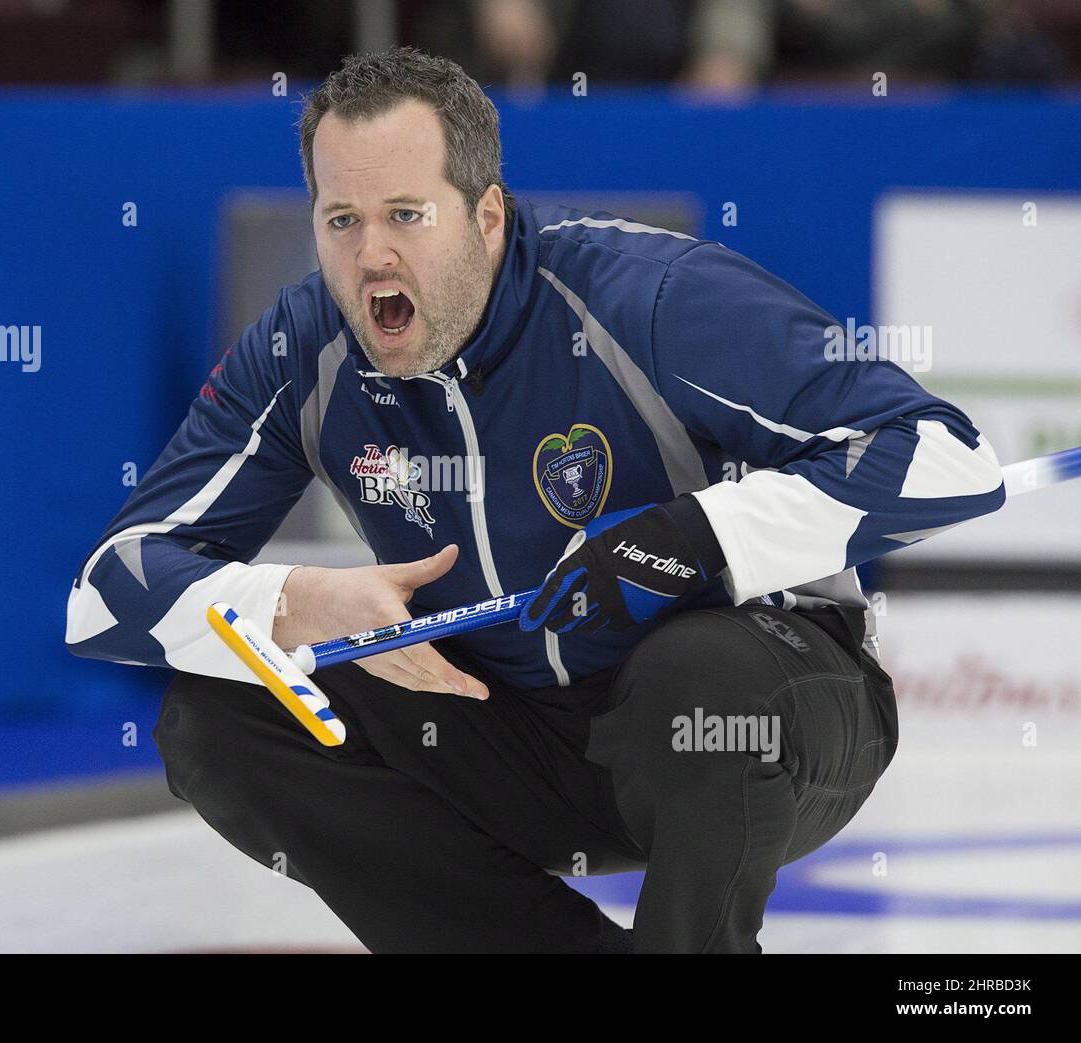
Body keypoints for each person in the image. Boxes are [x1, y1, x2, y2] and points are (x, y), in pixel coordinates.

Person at [65, 46, 1006, 953]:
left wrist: (697, 536)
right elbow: (106, 590)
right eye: (340, 219)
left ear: (486, 217)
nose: (371, 256)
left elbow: (949, 456)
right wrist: (294, 602)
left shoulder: (652, 297)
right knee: (219, 716)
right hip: (509, 729)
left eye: (406, 214)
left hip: (765, 721)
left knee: (696, 675)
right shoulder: (302, 348)